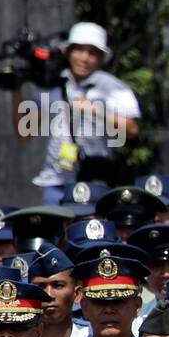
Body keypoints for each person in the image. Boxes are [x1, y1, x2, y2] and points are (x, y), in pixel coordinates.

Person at [24, 22, 141, 202]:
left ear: (101, 58)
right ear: (68, 52)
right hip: (56, 180)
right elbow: (26, 132)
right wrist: (16, 88)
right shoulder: (54, 84)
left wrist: (95, 111)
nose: (84, 58)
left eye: (92, 53)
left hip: (94, 178)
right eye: (79, 50)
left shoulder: (112, 87)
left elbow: (132, 130)